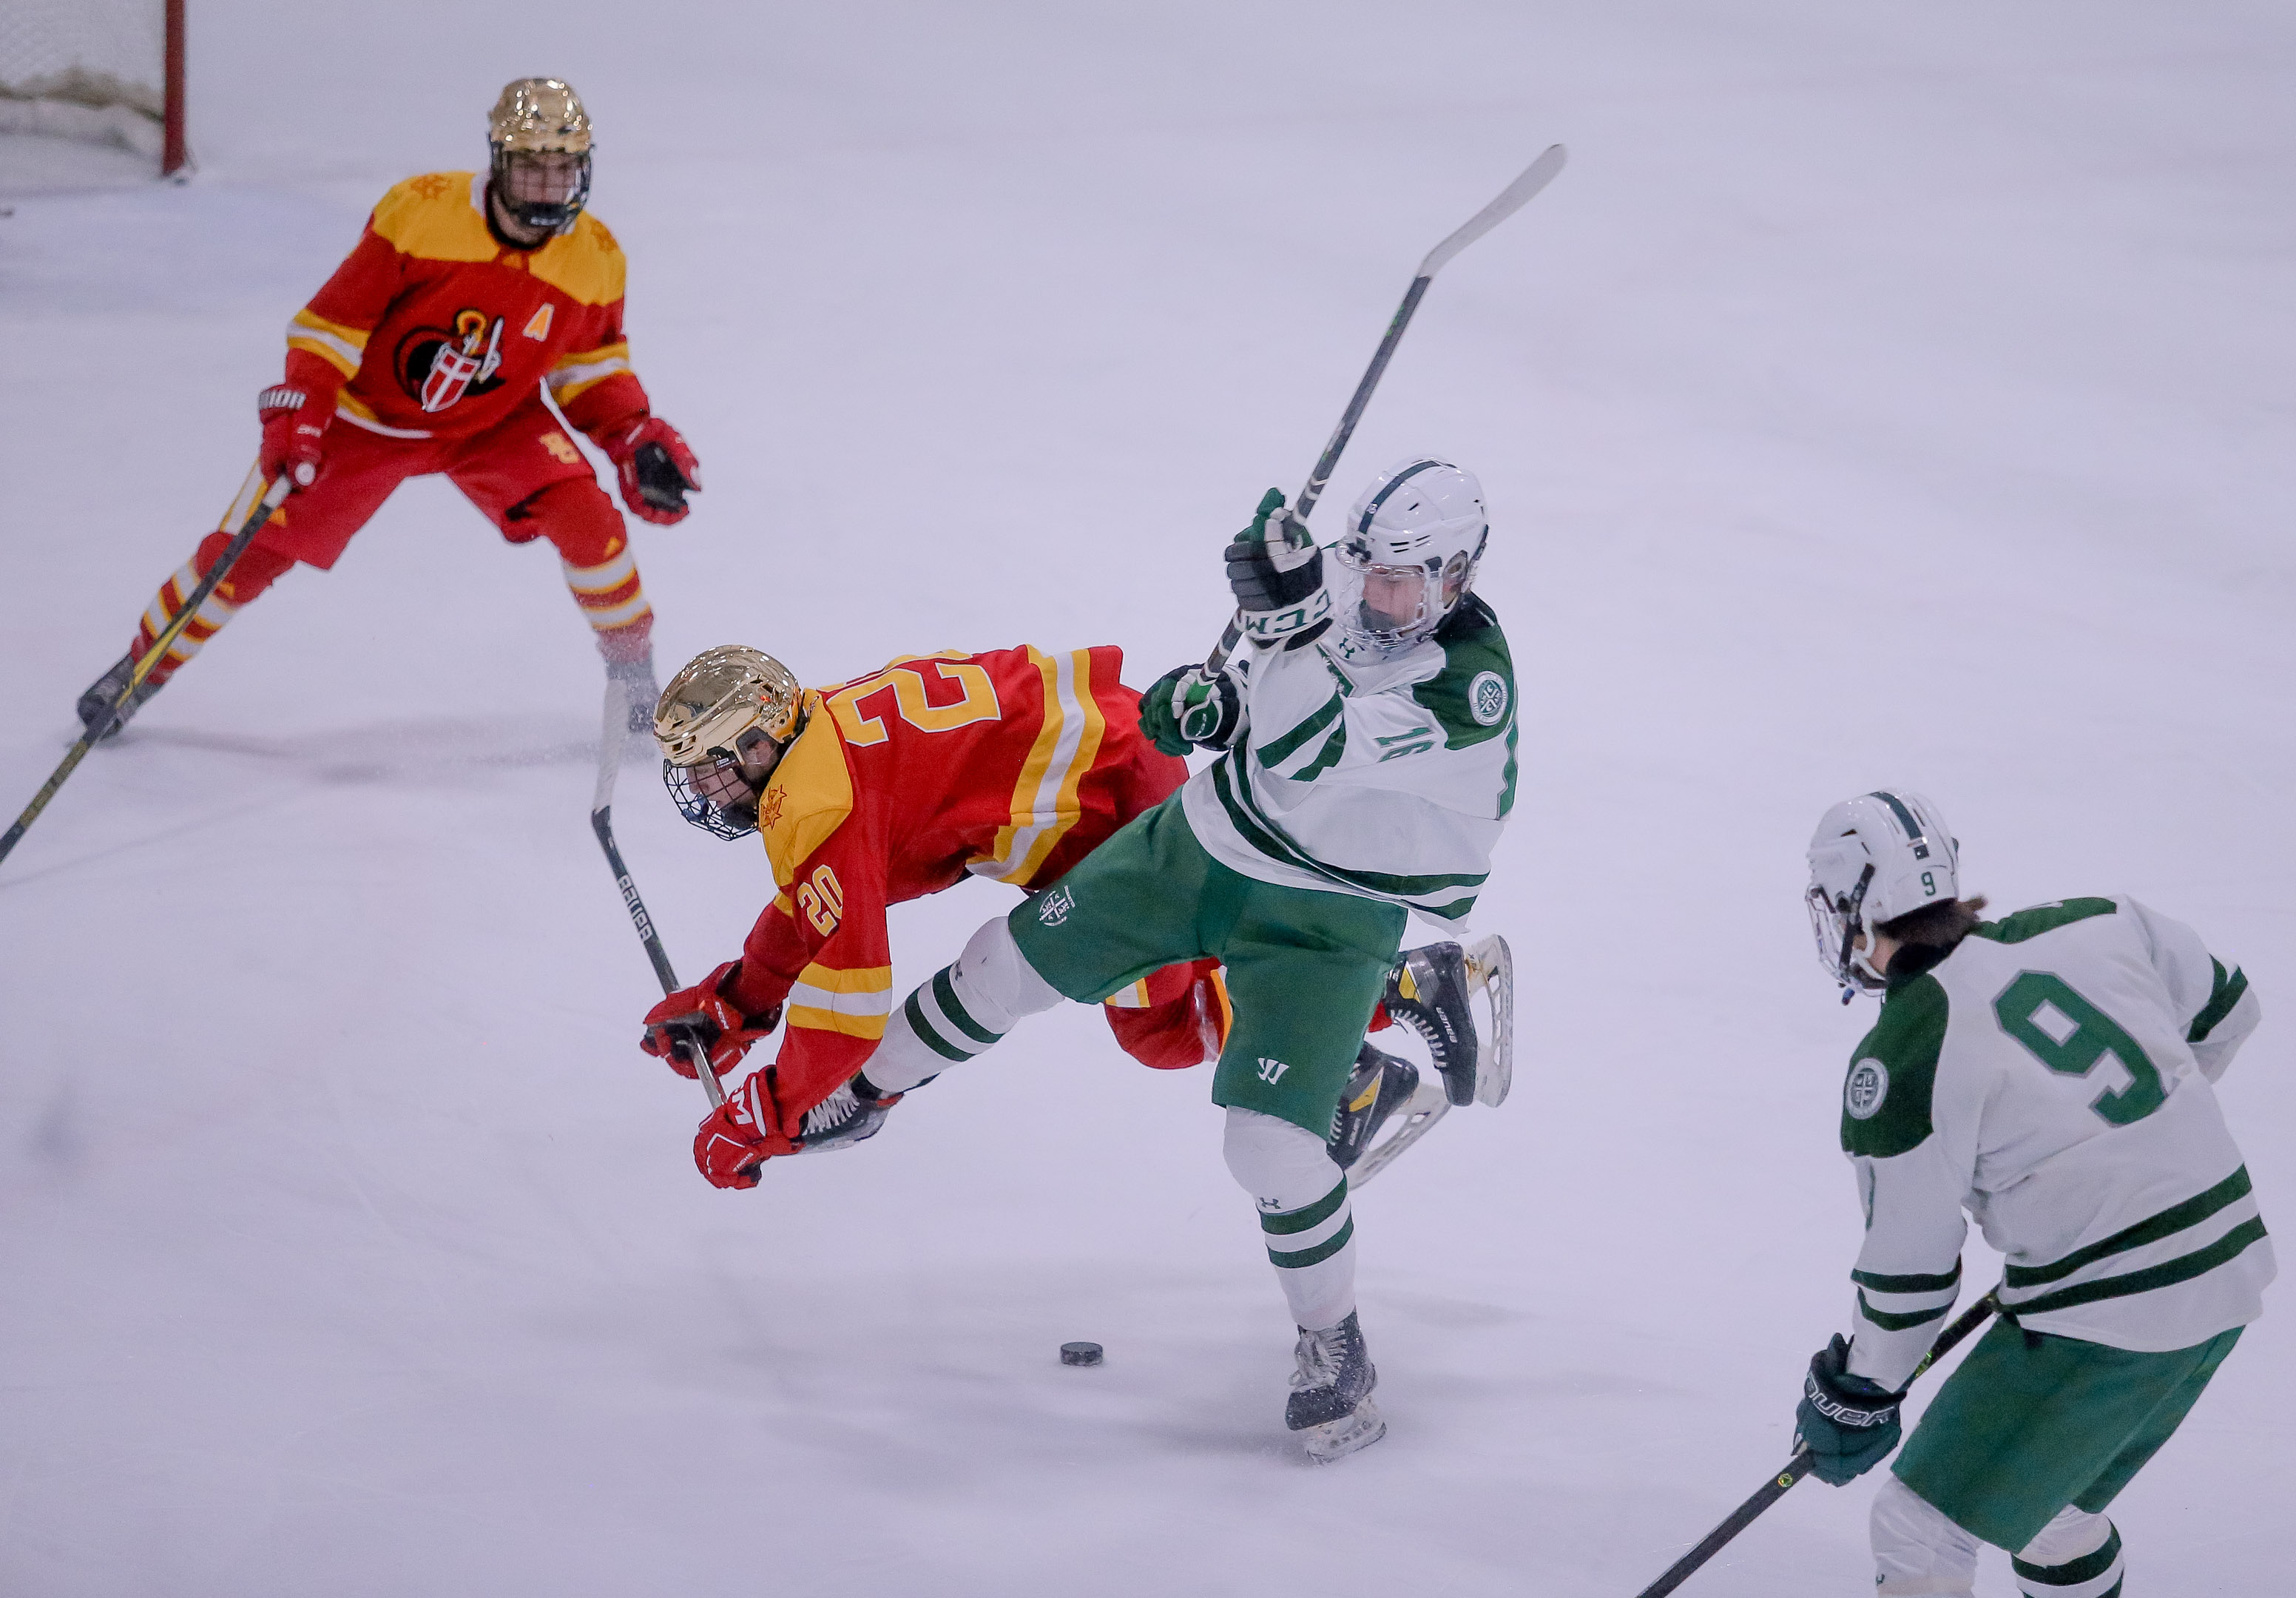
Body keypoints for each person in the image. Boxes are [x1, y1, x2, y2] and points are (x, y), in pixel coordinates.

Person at [726, 458, 1519, 1461]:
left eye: (1400, 581)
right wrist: (1208, 697)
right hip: (1204, 845)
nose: (1376, 596)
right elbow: (1248, 715)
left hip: (1333, 906)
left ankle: (1335, 1343)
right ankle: (871, 1095)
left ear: (1456, 575)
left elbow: (1308, 746)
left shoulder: (1467, 694)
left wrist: (1280, 632)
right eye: (1366, 570)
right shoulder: (1339, 595)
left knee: (1265, 1150)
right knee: (1002, 964)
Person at [77, 79, 700, 740]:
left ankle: (635, 675)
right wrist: (305, 407)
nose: (549, 185)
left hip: (493, 421)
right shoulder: (421, 211)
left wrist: (632, 434)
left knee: (587, 518)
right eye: (532, 167)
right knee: (246, 555)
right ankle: (140, 669)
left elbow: (590, 367)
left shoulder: (597, 257)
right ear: (498, 163)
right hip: (364, 418)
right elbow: (331, 325)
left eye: (563, 168)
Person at [1792, 790, 2271, 1597]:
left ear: (1855, 906)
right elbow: (2229, 1007)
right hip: (2229, 1269)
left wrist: (1862, 1388)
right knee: (2045, 1510)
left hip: (2108, 1317)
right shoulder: (2096, 919)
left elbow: (1911, 1276)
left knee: (1918, 1529)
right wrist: (2134, 1154)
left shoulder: (1905, 1053)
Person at [642, 642, 1233, 1160]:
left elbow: (849, 1008)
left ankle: (1308, 1023)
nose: (698, 788)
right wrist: (741, 1000)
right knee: (1039, 966)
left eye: (708, 767)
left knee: (1168, 1032)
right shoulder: (816, 728)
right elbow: (815, 905)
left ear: (757, 747)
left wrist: (777, 1107)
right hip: (1117, 740)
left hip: (1118, 808)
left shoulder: (817, 802)